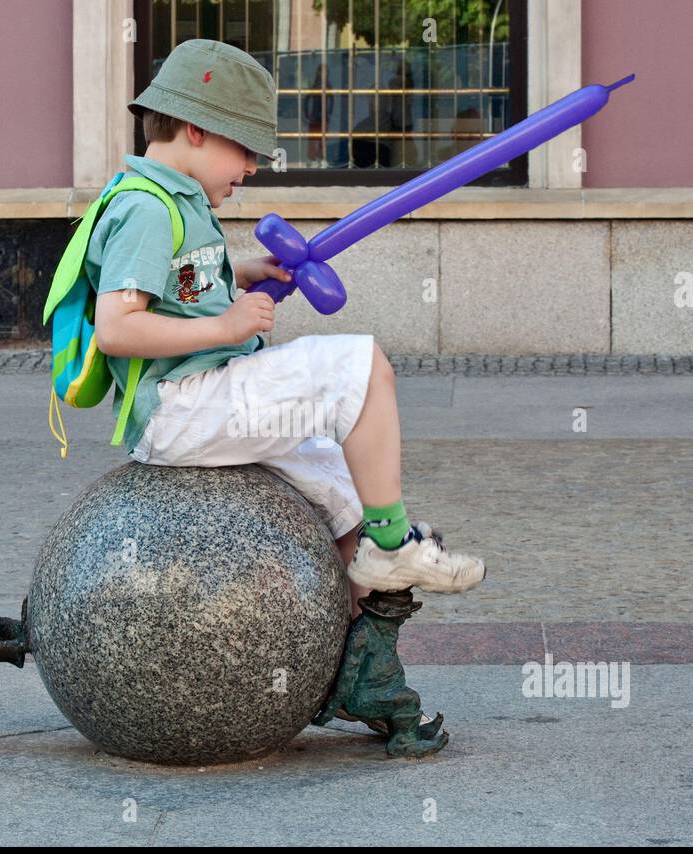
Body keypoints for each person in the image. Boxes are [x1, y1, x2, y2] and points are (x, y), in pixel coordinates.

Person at [86, 39, 485, 619]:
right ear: (197, 130)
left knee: (346, 488)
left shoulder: (175, 200)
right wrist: (226, 326)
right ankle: (391, 545)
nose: (251, 167)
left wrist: (239, 274)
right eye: (245, 148)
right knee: (361, 367)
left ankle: (359, 642)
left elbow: (175, 288)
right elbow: (118, 329)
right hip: (180, 406)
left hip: (196, 401)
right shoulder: (146, 209)